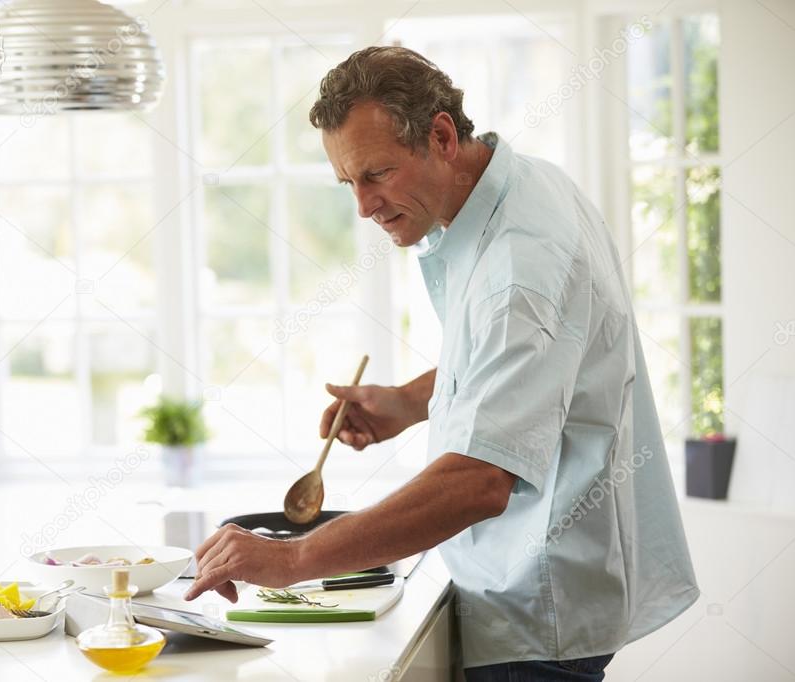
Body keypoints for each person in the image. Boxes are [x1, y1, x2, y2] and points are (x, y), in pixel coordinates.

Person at [184, 46, 699, 681]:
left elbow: (478, 482)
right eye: (349, 182)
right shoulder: (524, 186)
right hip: (551, 590)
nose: (364, 207)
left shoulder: (521, 264)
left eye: (376, 174)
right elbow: (540, 359)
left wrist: (290, 561)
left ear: (442, 136)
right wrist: (408, 401)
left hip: (535, 610)